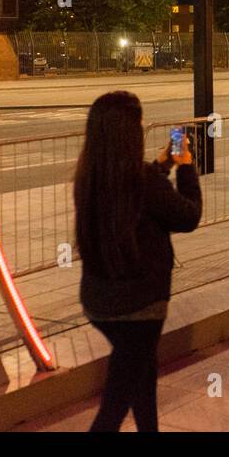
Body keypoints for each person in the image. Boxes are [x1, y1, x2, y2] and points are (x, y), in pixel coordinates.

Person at [75, 91, 202, 432]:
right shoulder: (142, 181)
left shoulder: (90, 178)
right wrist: (186, 167)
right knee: (113, 407)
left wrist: (163, 165)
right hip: (140, 307)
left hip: (99, 302)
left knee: (142, 374)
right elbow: (188, 217)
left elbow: (133, 195)